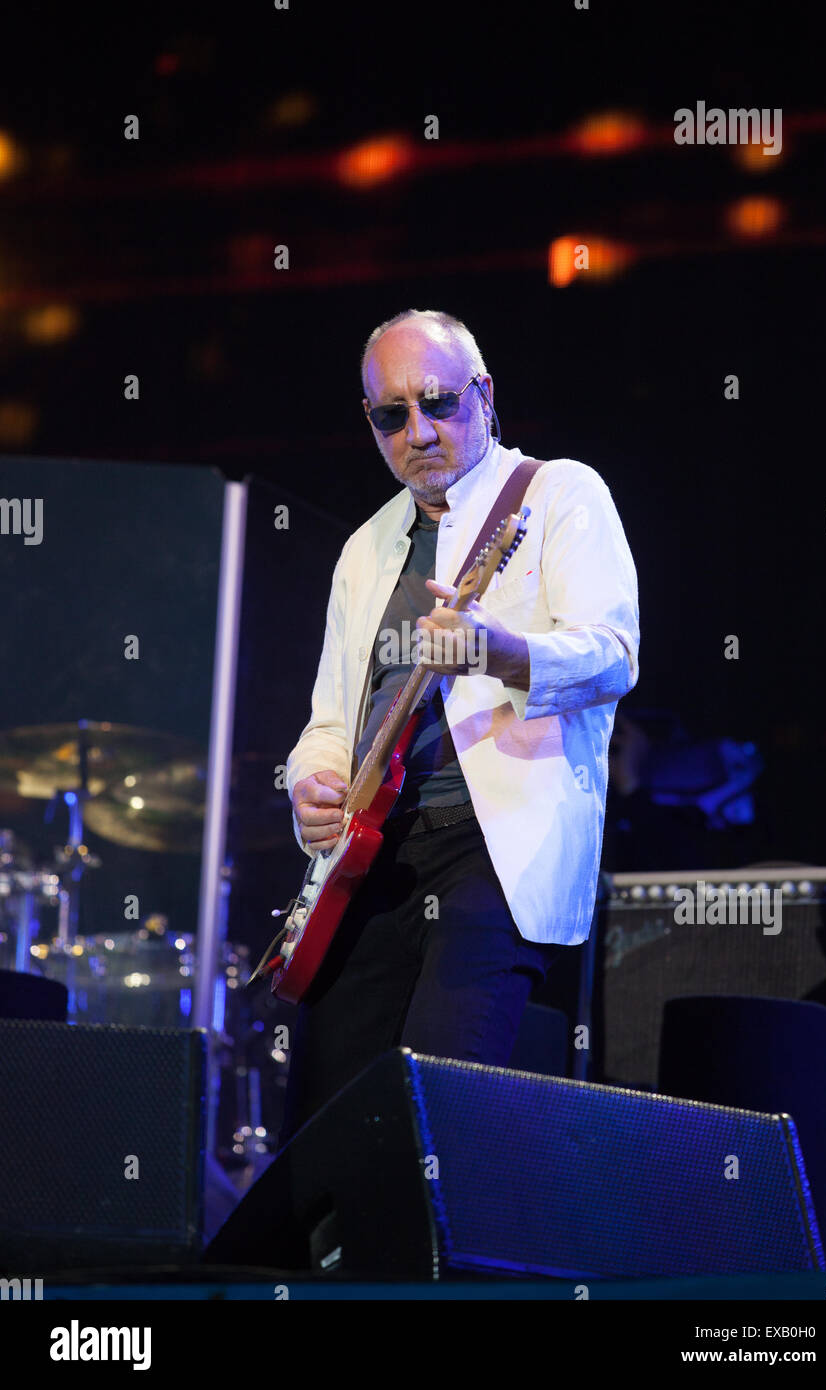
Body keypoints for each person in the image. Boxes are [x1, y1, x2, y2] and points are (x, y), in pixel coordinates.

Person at [278, 308, 639, 1144]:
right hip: (373, 854)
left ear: (483, 394)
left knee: (439, 1107)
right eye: (391, 414)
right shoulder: (366, 547)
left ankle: (447, 1274)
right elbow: (330, 719)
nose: (420, 431)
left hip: (491, 846)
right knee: (331, 1118)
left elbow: (615, 655)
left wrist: (501, 650)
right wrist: (311, 784)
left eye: (439, 403)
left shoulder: (557, 494)